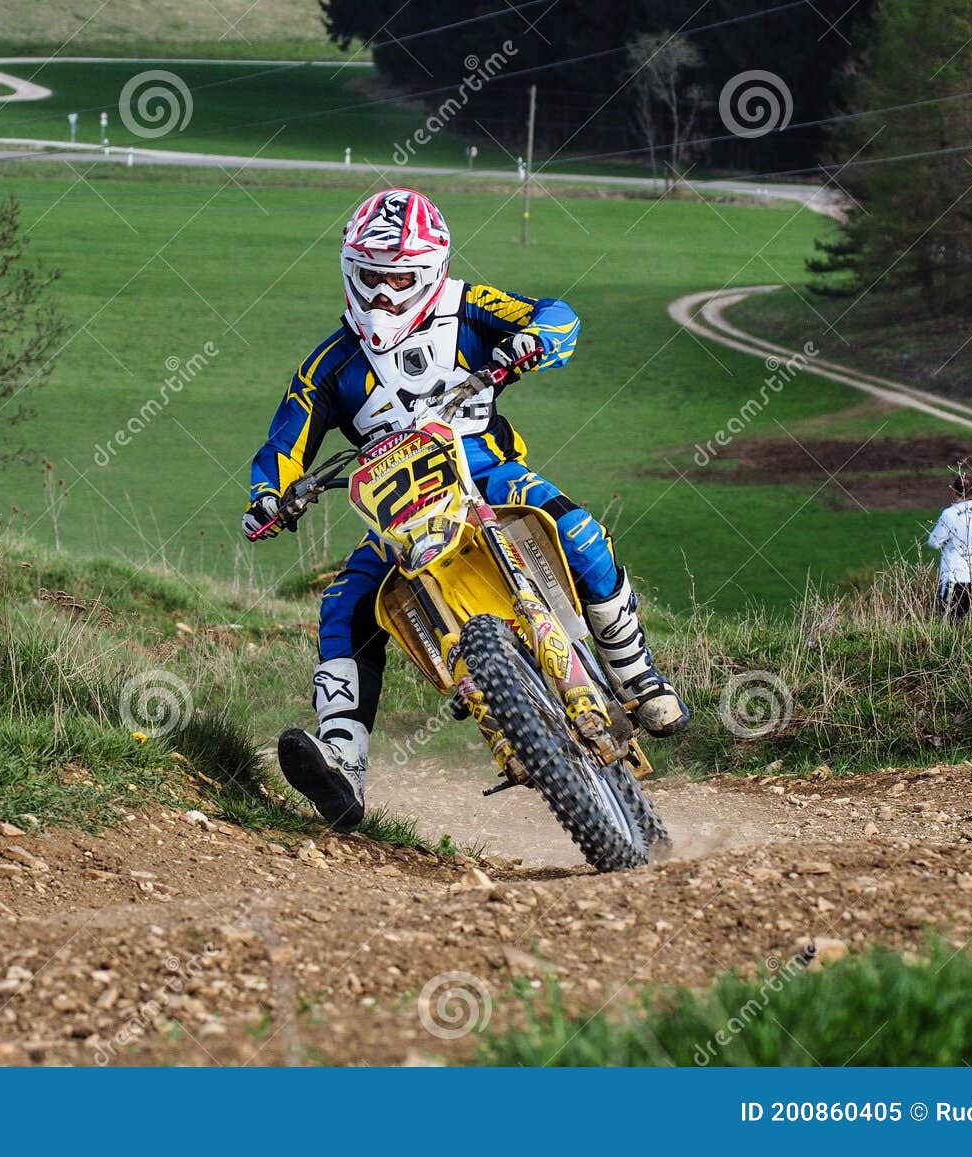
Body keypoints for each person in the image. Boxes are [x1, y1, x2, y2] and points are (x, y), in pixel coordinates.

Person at [241, 187, 690, 828]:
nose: (383, 296)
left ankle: (638, 677)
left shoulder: (470, 307)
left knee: (579, 530)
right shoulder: (329, 365)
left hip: (489, 476)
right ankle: (342, 764)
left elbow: (556, 314)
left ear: (431, 272)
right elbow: (286, 443)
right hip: (399, 513)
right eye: (371, 278)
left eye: (400, 280)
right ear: (349, 272)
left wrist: (533, 343)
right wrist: (269, 498)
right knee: (344, 604)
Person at [928, 473, 972, 621]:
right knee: (968, 621)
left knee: (949, 621)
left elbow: (933, 542)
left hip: (953, 578)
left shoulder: (949, 514)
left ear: (953, 491)